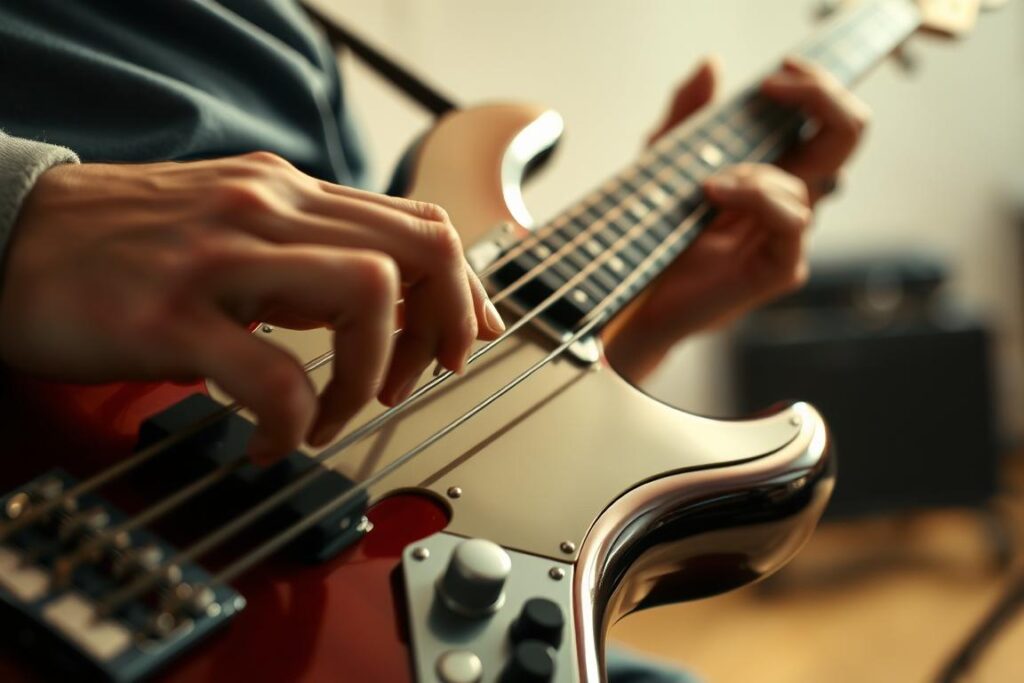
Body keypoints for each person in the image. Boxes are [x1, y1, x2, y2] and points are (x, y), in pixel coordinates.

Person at [0, 2, 868, 680]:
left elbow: (411, 385)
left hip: (351, 602)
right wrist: (21, 213)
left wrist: (652, 319)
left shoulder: (290, 34)